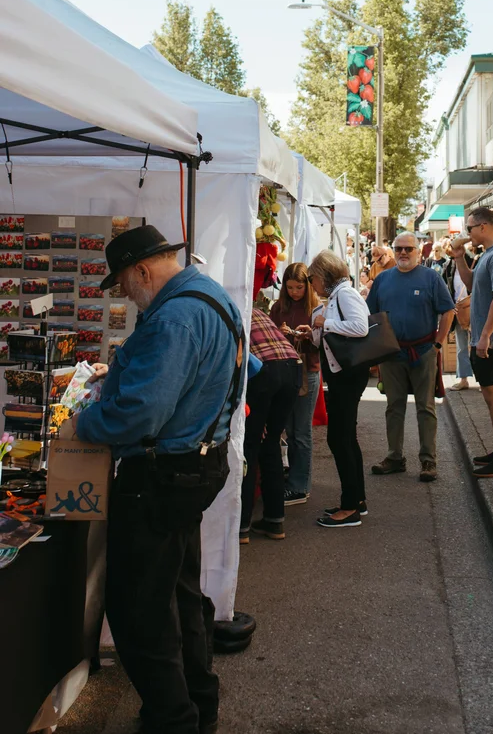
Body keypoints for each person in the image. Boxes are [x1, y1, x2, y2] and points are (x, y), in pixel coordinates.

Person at [74, 225, 254, 734]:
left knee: (137, 608)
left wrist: (83, 423)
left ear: (143, 270)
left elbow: (141, 415)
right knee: (179, 593)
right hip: (195, 467)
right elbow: (248, 369)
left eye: (123, 285)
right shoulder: (209, 294)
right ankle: (198, 706)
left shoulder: (174, 317)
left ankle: (171, 719)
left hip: (161, 475)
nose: (124, 296)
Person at [367, 232, 454, 482]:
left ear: (418, 252)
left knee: (425, 407)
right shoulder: (383, 280)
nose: (404, 253)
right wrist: (376, 347)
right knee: (394, 406)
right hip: (391, 353)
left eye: (409, 249)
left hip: (423, 351)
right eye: (399, 249)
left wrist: (437, 344)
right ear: (394, 251)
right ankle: (395, 457)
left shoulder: (431, 278)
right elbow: (371, 315)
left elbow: (448, 311)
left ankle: (428, 461)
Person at [298, 251, 370, 527]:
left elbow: (359, 327)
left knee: (339, 439)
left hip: (348, 376)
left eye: (313, 279)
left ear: (324, 276)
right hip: (345, 375)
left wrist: (324, 322)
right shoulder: (338, 295)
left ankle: (350, 507)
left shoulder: (345, 294)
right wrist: (314, 332)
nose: (312, 285)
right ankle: (356, 501)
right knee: (345, 437)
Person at [452, 208, 493, 479]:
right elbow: (470, 283)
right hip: (482, 337)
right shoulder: (486, 255)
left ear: (484, 227)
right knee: (491, 397)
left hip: (491, 340)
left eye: (470, 229)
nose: (468, 234)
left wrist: (487, 334)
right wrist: (458, 256)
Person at [240, 308, 302, 542]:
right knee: (271, 443)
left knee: (249, 448)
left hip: (265, 371)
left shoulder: (229, 309)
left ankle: (241, 526)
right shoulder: (254, 309)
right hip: (292, 367)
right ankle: (274, 521)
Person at [269, 262, 320, 505]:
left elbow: (324, 343)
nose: (294, 292)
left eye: (299, 287)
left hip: (307, 371)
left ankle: (300, 486)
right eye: (290, 287)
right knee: (288, 429)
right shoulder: (278, 307)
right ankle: (294, 479)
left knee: (301, 431)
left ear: (307, 286)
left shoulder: (317, 307)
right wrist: (280, 332)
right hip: (285, 371)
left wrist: (308, 334)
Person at [443, 241, 473, 391]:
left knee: (477, 345)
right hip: (458, 310)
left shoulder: (473, 261)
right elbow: (446, 287)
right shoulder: (448, 266)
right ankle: (463, 379)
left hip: (474, 309)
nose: (452, 256)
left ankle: (483, 379)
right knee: (461, 346)